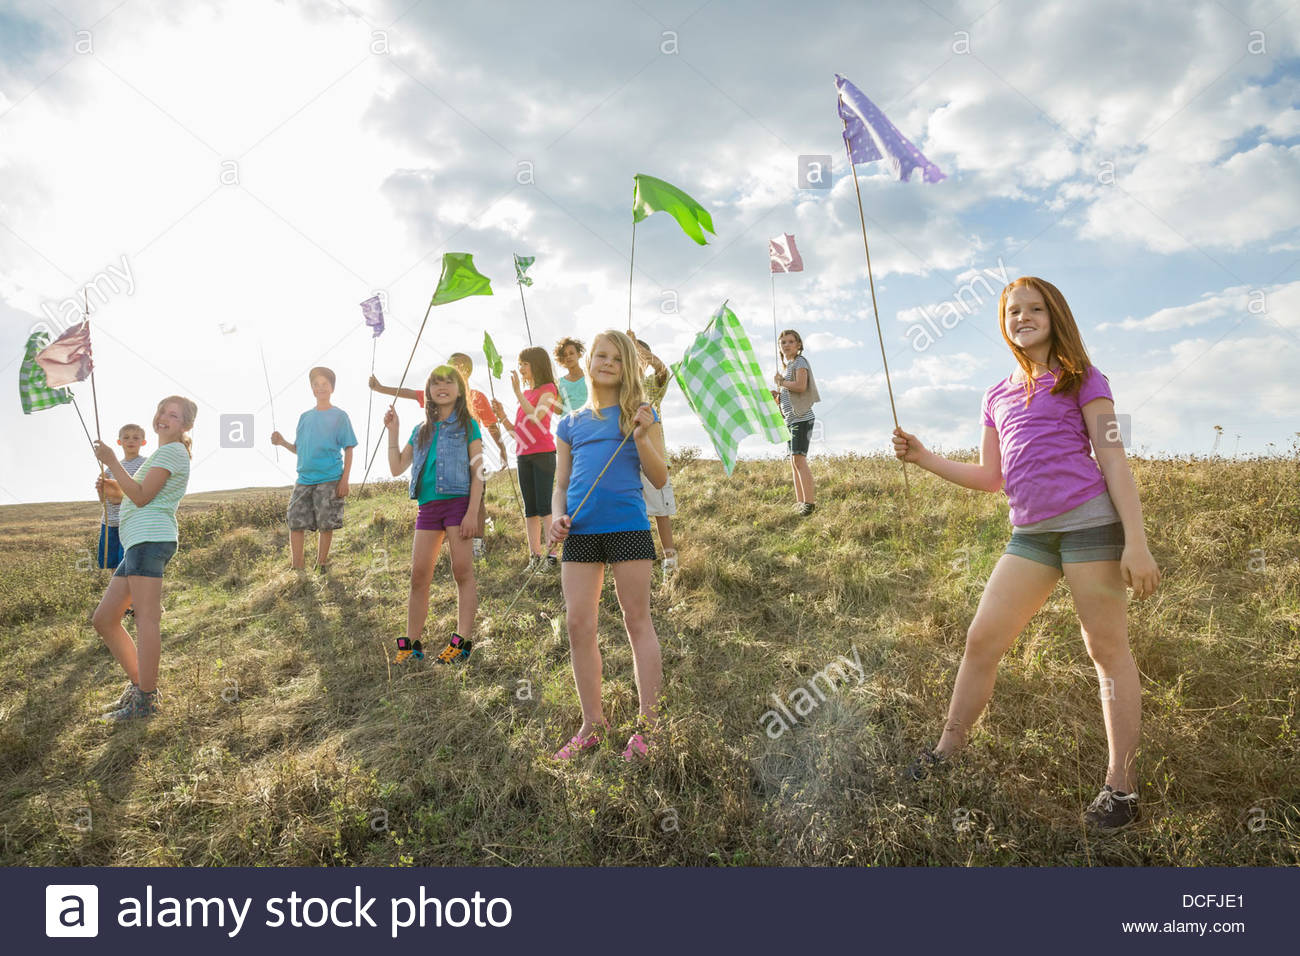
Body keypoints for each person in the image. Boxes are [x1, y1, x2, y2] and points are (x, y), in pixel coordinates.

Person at [892, 276, 1161, 833]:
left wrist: (1136, 541)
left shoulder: (1086, 379)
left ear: (1055, 315)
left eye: (1035, 308)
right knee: (981, 639)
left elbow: (1113, 459)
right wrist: (924, 457)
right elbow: (991, 477)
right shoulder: (997, 396)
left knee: (1106, 651)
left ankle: (1121, 787)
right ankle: (947, 750)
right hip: (1030, 537)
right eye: (1013, 311)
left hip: (1092, 528)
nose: (1023, 317)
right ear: (1003, 322)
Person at [548, 330, 668, 762]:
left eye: (617, 358)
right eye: (601, 355)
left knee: (636, 619)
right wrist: (555, 517)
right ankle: (592, 723)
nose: (606, 362)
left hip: (628, 529)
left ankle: (649, 728)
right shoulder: (569, 422)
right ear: (588, 361)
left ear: (627, 367)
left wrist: (641, 436)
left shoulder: (640, 415)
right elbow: (560, 484)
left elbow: (659, 478)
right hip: (579, 533)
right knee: (579, 624)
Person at [90, 396, 197, 721]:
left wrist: (112, 459)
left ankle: (146, 700)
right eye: (162, 410)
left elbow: (141, 496)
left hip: (151, 540)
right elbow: (134, 494)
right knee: (104, 619)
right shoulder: (162, 455)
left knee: (146, 619)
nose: (164, 416)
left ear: (185, 425)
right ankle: (141, 685)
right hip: (137, 542)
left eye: (173, 414)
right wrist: (114, 490)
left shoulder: (173, 451)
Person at [385, 365, 484, 665]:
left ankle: (462, 641)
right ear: (428, 391)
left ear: (459, 389)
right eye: (436, 382)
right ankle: (412, 643)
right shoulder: (420, 431)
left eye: (449, 382)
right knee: (419, 575)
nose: (442, 386)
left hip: (458, 504)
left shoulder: (469, 426)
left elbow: (478, 472)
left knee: (462, 571)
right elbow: (396, 467)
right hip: (428, 508)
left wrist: (471, 513)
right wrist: (394, 431)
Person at [272, 367, 357, 572]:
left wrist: (344, 480)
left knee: (325, 523)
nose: (320, 388)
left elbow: (349, 449)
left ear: (332, 388)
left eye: (325, 384)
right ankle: (297, 567)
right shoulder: (304, 417)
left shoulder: (340, 416)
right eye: (316, 385)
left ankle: (321, 564)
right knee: (295, 520)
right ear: (312, 389)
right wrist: (282, 442)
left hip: (330, 477)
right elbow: (300, 450)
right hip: (304, 479)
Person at [491, 346, 560, 571]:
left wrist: (518, 394)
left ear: (536, 365)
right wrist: (501, 416)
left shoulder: (548, 389)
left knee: (544, 506)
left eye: (524, 364)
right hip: (524, 455)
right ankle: (535, 556)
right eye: (519, 364)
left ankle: (551, 556)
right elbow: (518, 432)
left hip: (543, 454)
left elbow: (537, 417)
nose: (520, 368)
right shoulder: (528, 395)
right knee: (530, 509)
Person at [628, 331, 678, 574]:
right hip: (627, 459)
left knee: (660, 509)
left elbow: (662, 371)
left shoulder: (649, 384)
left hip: (654, 456)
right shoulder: (621, 389)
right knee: (635, 511)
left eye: (636, 357)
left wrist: (637, 345)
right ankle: (639, 558)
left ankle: (670, 559)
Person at [773, 329, 819, 516]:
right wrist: (778, 394)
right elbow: (789, 392)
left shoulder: (800, 362)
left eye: (791, 341)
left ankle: (809, 504)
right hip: (791, 420)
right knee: (794, 462)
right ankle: (800, 502)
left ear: (798, 345)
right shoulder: (788, 366)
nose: (786, 345)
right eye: (783, 342)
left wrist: (782, 383)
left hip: (802, 418)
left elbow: (800, 386)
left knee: (799, 460)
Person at [95, 423, 147, 571]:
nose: (131, 441)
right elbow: (103, 500)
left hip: (130, 522)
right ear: (119, 442)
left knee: (126, 563)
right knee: (111, 564)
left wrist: (119, 491)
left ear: (143, 442)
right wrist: (101, 488)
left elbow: (142, 491)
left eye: (136, 438)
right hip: (110, 522)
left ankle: (129, 592)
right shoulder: (110, 468)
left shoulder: (145, 464)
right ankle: (116, 592)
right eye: (126, 437)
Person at [553, 337, 588, 414]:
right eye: (565, 355)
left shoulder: (590, 376)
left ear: (578, 354)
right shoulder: (559, 383)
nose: (568, 357)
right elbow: (558, 411)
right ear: (562, 359)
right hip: (568, 423)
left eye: (571, 353)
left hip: (588, 420)